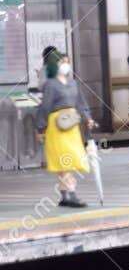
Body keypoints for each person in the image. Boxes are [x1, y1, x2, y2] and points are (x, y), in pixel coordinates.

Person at [34, 51, 93, 207]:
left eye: (67, 61)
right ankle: (71, 194)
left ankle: (64, 195)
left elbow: (81, 103)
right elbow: (45, 107)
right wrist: (40, 128)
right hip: (56, 127)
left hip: (72, 125)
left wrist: (88, 118)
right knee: (65, 159)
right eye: (62, 62)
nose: (65, 65)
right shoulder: (51, 85)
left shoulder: (73, 83)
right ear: (54, 65)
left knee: (69, 159)